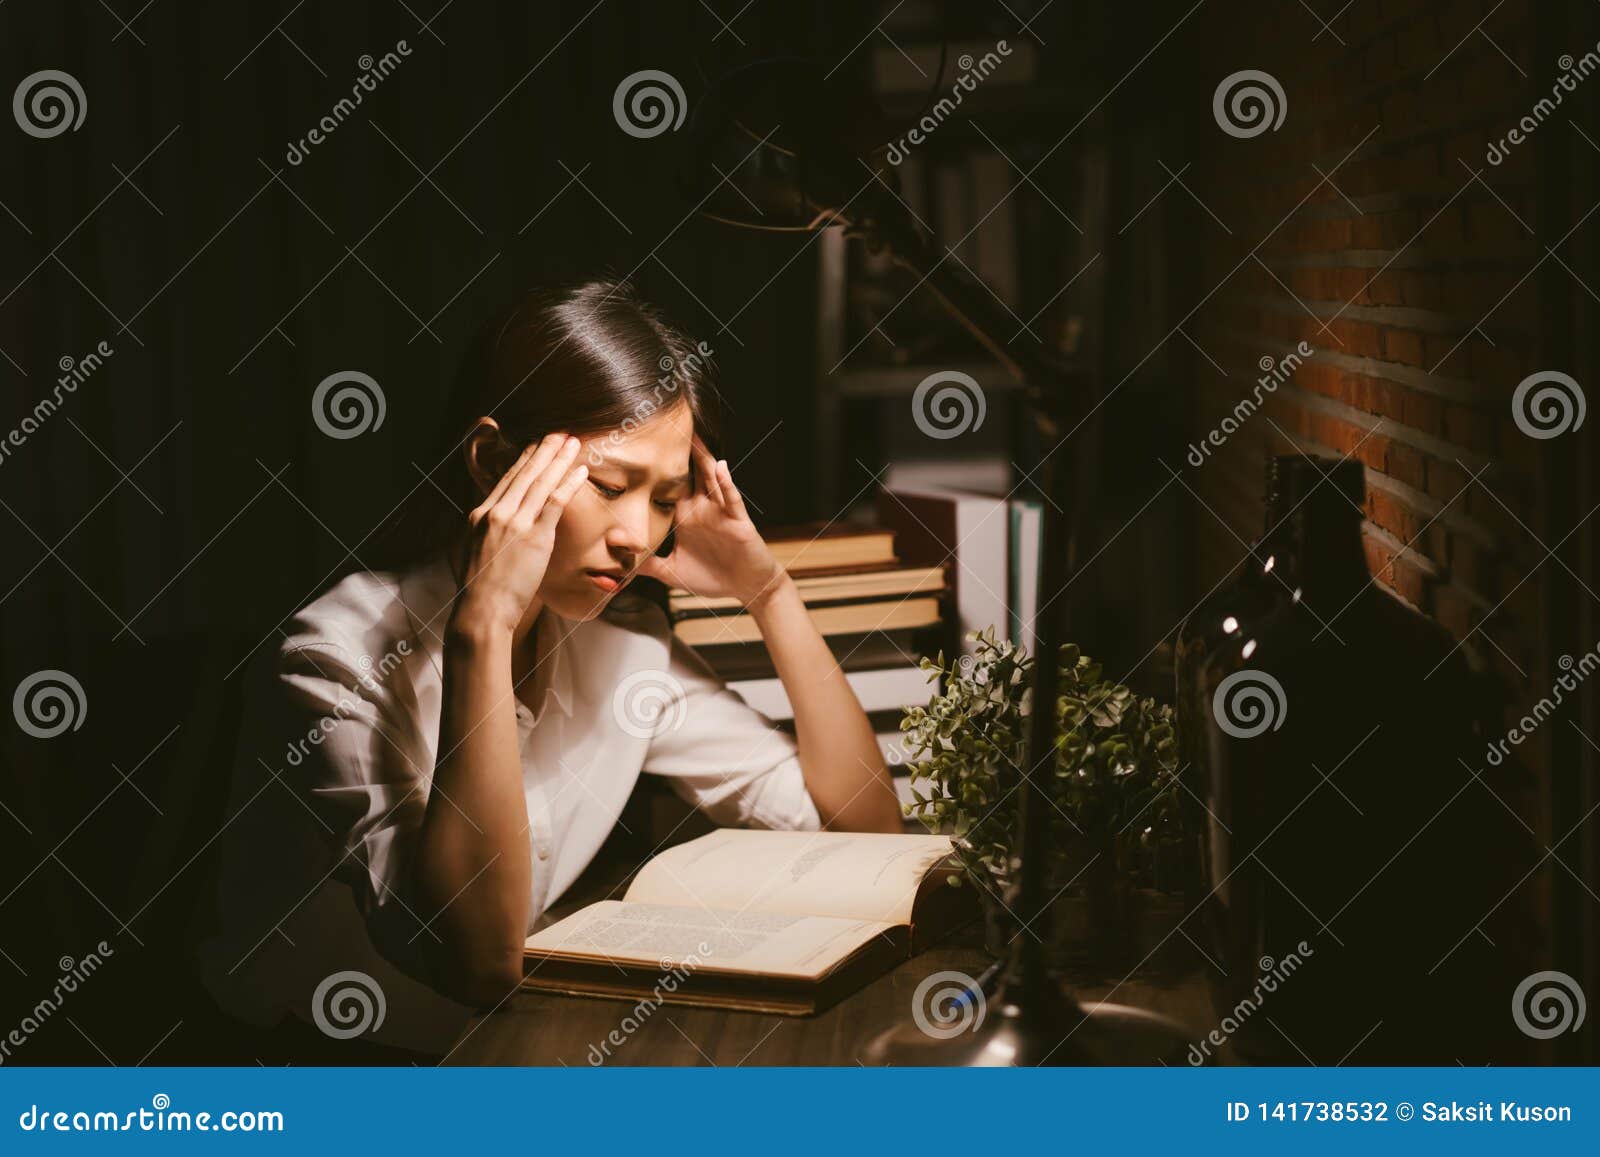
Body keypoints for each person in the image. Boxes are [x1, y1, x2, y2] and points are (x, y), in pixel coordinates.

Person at [197, 279, 902, 1055]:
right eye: (608, 486)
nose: (638, 534)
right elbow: (475, 959)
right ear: (495, 461)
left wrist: (767, 591)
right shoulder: (334, 660)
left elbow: (867, 831)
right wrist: (486, 626)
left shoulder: (621, 643)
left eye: (666, 498)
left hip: (513, 1049)